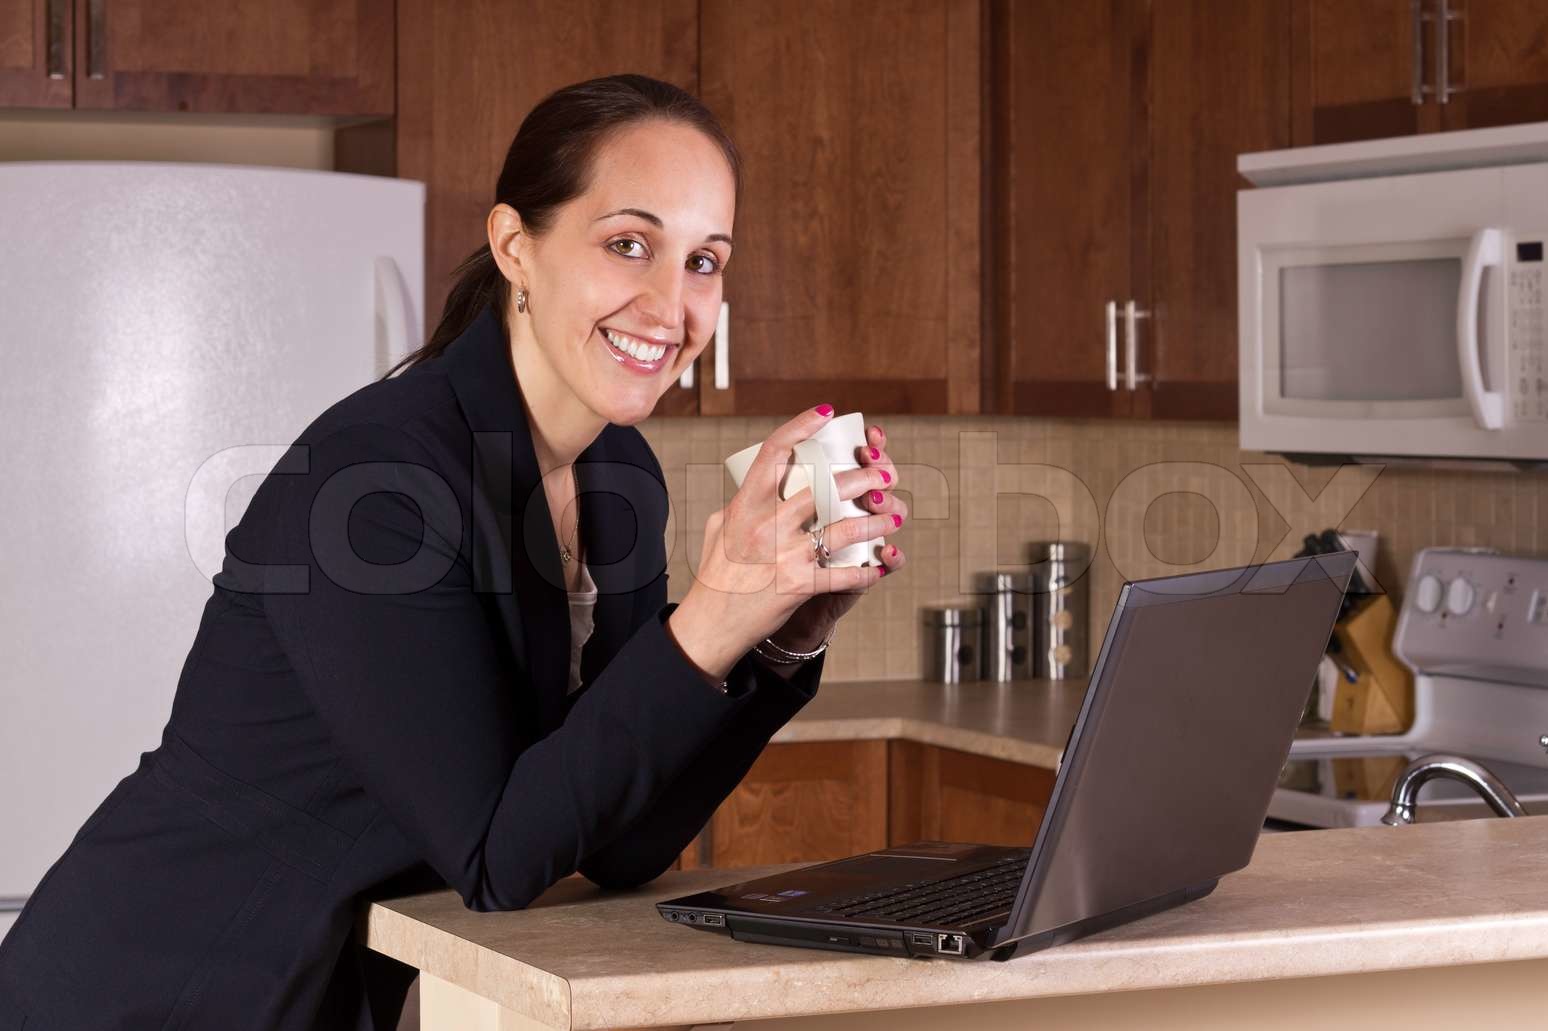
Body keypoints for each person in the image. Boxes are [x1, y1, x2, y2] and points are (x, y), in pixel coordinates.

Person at [0, 73, 906, 1030]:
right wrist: (709, 616)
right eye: (628, 245)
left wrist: (774, 639)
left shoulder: (619, 479)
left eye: (704, 261)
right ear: (516, 245)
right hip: (160, 985)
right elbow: (494, 855)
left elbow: (620, 841)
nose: (670, 304)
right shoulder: (373, 480)